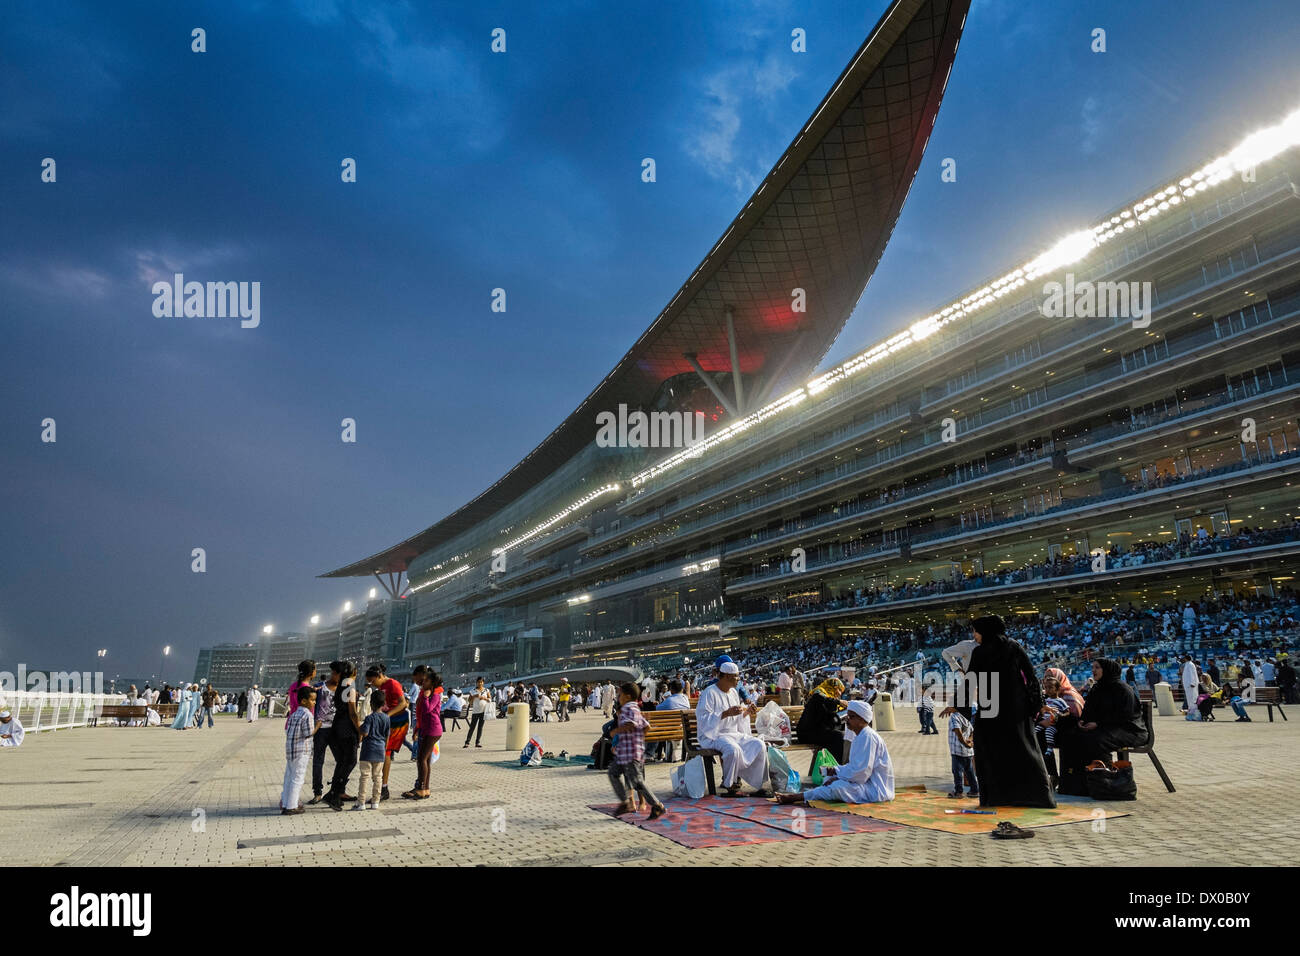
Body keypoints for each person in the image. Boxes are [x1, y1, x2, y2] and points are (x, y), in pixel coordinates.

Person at [965, 615, 1055, 808]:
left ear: (986, 631)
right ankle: (1036, 796)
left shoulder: (979, 652)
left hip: (991, 709)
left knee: (991, 752)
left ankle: (998, 797)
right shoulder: (1013, 646)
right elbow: (1031, 676)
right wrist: (1036, 704)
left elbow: (970, 681)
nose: (974, 636)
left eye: (976, 631)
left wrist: (959, 706)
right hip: (1017, 707)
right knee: (1024, 748)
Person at [1056, 658, 1148, 793]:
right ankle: (1074, 784)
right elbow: (1088, 710)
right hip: (1105, 728)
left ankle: (1103, 782)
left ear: (1107, 670)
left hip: (1130, 730)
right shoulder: (1097, 688)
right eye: (1093, 667)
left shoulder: (1123, 689)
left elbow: (1124, 716)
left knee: (1096, 741)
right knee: (1070, 737)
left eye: (1097, 667)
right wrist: (1083, 721)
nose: (1093, 670)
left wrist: (1098, 724)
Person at [778, 701, 894, 805]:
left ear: (862, 719)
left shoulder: (867, 737)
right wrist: (836, 773)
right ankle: (806, 795)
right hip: (863, 782)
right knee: (828, 780)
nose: (847, 719)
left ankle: (797, 797)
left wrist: (837, 773)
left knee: (838, 787)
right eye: (847, 716)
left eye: (852, 717)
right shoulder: (860, 736)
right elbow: (855, 768)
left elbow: (860, 773)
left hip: (875, 789)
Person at [695, 662, 767, 797]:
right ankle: (730, 786)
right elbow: (703, 719)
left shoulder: (733, 692)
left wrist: (746, 713)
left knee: (759, 745)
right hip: (714, 735)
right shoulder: (709, 692)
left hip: (732, 733)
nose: (739, 680)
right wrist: (725, 713)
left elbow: (736, 718)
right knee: (733, 749)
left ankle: (758, 784)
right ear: (727, 677)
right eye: (736, 677)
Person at [608, 682, 666, 819]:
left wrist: (616, 731)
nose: (618, 697)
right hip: (626, 752)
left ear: (627, 696)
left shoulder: (629, 709)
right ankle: (626, 802)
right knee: (613, 772)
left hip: (631, 754)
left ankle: (657, 805)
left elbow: (630, 724)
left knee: (637, 782)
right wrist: (638, 738)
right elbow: (647, 727)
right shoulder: (635, 708)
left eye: (620, 695)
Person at [365, 665, 408, 801]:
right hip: (386, 720)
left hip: (397, 721)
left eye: (372, 681)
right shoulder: (380, 687)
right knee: (384, 751)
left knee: (386, 751)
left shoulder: (393, 684)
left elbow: (403, 704)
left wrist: (387, 715)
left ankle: (384, 787)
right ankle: (382, 786)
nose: (371, 684)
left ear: (379, 676)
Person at [324, 662, 361, 811]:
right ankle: (335, 794)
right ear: (354, 671)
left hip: (337, 724)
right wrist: (359, 729)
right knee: (350, 760)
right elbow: (352, 711)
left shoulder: (341, 683)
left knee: (342, 761)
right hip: (346, 727)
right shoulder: (350, 683)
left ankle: (336, 791)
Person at [406, 666, 443, 800]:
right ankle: (425, 788)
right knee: (425, 760)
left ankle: (421, 788)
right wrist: (416, 729)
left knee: (421, 759)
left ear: (431, 683)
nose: (423, 683)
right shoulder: (427, 693)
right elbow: (421, 714)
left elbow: (427, 710)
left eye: (426, 681)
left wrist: (426, 697)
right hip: (426, 729)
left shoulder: (435, 695)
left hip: (433, 730)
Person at [308, 662, 340, 804]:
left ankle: (337, 789)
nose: (335, 676)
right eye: (334, 673)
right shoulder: (320, 687)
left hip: (336, 730)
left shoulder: (344, 689)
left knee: (341, 760)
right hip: (321, 729)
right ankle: (317, 792)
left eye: (338, 674)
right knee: (318, 761)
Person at [281, 686, 317, 815]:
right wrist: (317, 726)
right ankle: (292, 806)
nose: (314, 703)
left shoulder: (294, 714)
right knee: (298, 778)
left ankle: (286, 803)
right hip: (302, 751)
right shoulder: (308, 715)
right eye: (312, 700)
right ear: (303, 701)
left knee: (290, 777)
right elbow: (308, 733)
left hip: (291, 750)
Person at [796, 677, 847, 763]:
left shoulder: (828, 698)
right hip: (807, 733)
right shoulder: (819, 693)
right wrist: (839, 702)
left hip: (817, 731)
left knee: (841, 734)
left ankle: (835, 766)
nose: (839, 694)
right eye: (839, 690)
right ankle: (836, 767)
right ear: (833, 687)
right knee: (838, 737)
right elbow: (820, 699)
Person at [354, 690, 390, 811]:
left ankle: (361, 802)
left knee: (364, 776)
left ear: (371, 703)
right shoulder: (386, 718)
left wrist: (359, 727)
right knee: (378, 777)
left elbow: (365, 732)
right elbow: (387, 735)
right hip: (380, 750)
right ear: (383, 704)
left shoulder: (369, 718)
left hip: (368, 750)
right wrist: (385, 748)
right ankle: (375, 802)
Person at [464, 677, 490, 747]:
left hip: (483, 711)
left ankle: (477, 742)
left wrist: (484, 698)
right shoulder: (472, 690)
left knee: (480, 727)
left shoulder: (486, 690)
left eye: (481, 682)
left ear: (483, 682)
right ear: (476, 683)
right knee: (472, 727)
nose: (480, 683)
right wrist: (474, 696)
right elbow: (469, 701)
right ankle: (467, 742)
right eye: (478, 682)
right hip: (475, 711)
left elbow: (490, 699)